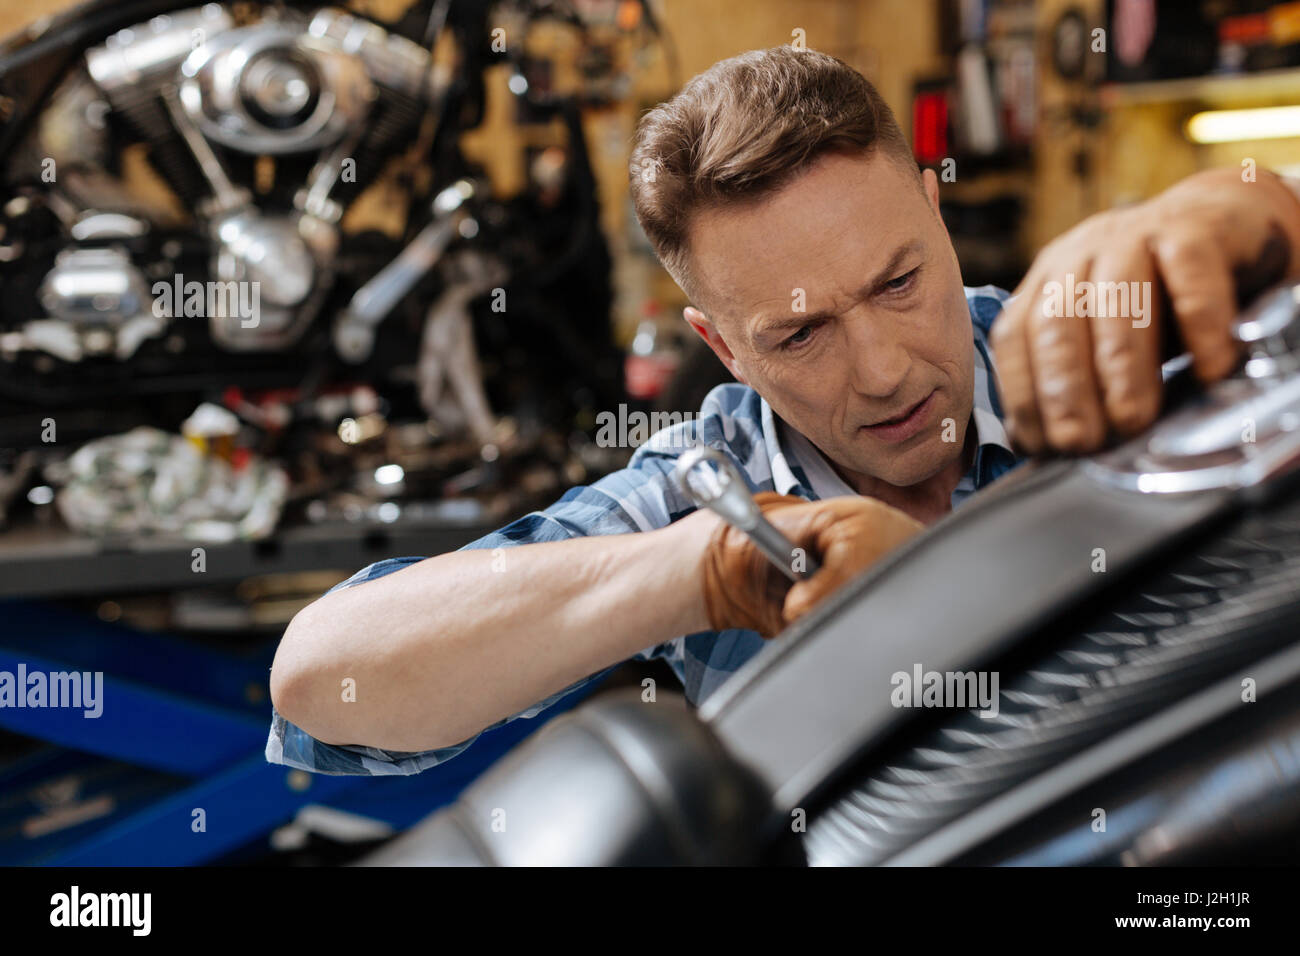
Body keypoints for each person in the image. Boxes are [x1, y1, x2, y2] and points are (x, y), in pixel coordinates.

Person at [266, 46, 1300, 775]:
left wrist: (1255, 215)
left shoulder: (1100, 334)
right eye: (799, 335)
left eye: (898, 281)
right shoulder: (704, 487)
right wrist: (715, 568)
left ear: (937, 221)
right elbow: (322, 680)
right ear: (720, 345)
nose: (887, 370)